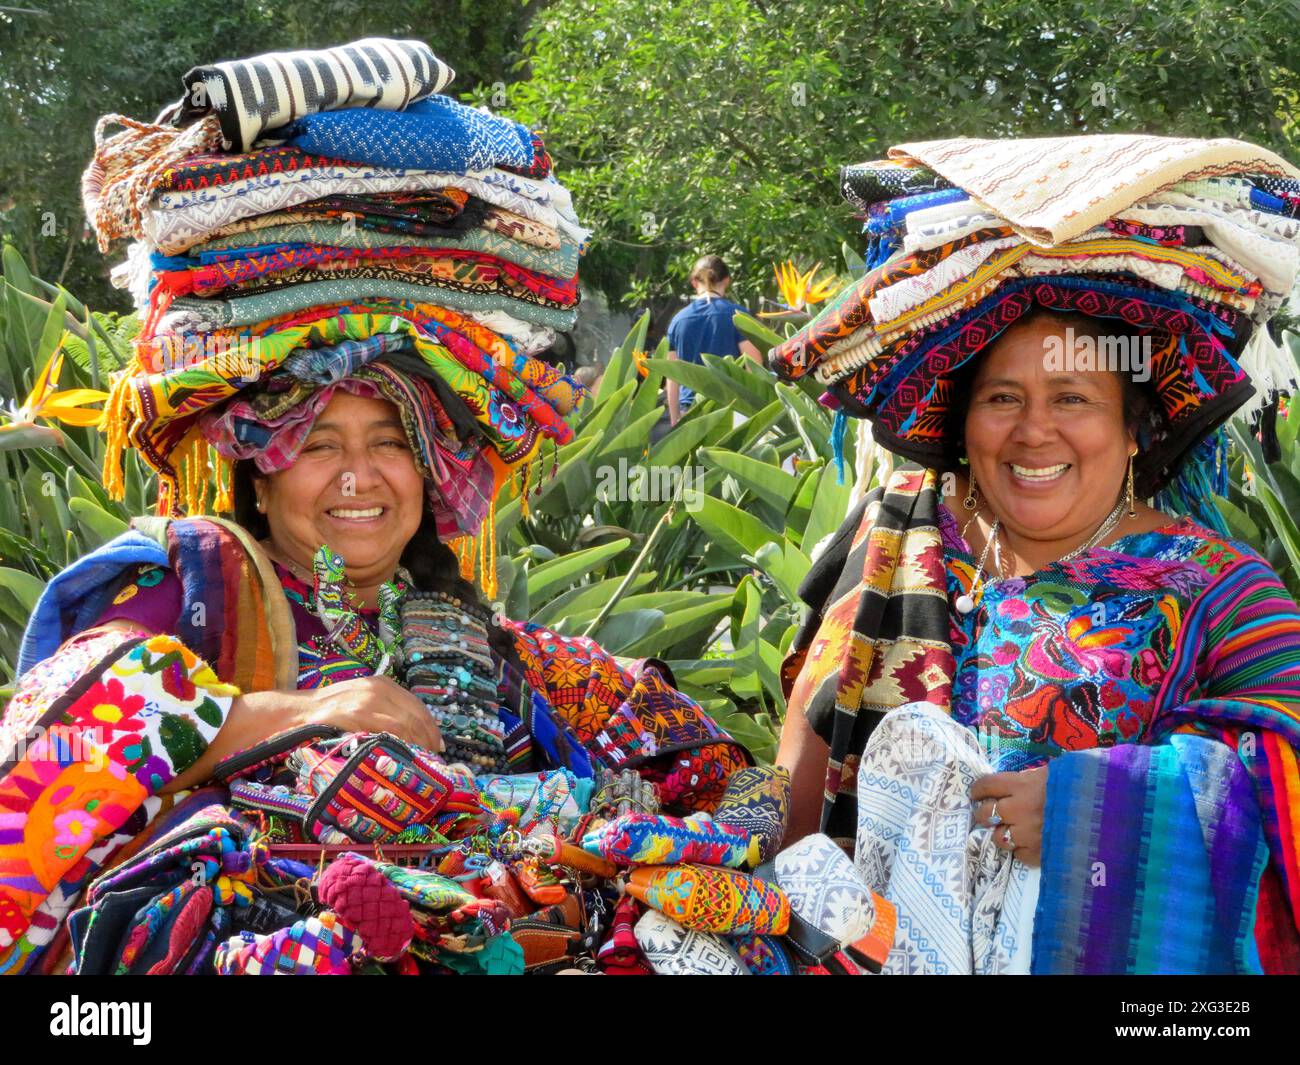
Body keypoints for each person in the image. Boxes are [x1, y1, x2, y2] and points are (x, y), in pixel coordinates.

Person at [771, 135, 1300, 974]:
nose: (1033, 431)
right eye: (1003, 398)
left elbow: (1291, 784)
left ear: (1135, 430)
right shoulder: (899, 546)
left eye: (1073, 398)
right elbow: (803, 770)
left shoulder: (1222, 590)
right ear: (961, 422)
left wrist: (1097, 816)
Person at [665, 255, 763, 426]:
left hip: (692, 410)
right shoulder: (737, 316)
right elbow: (754, 364)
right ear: (726, 281)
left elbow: (672, 374)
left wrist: (674, 419)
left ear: (694, 282)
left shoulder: (678, 321)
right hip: (733, 407)